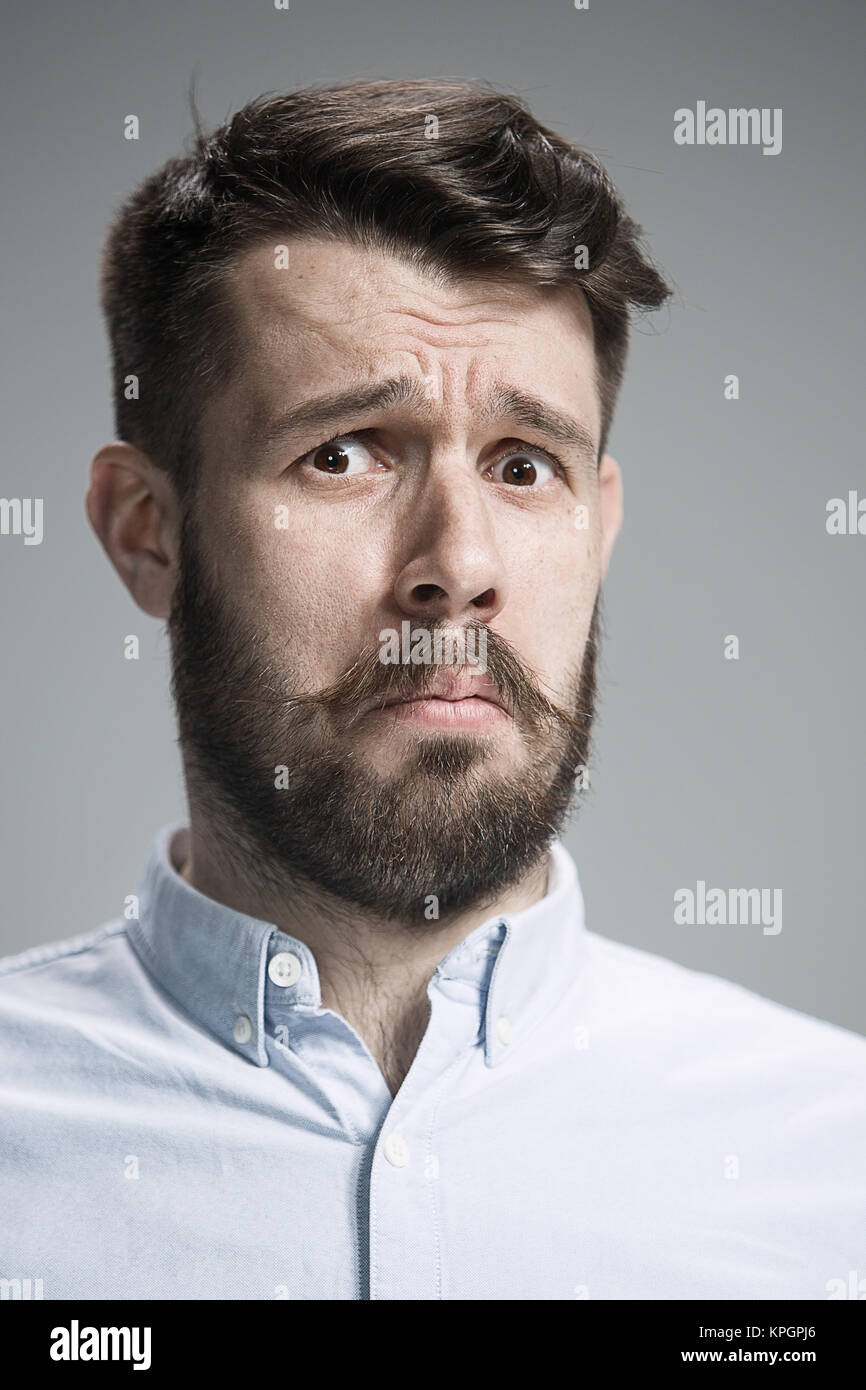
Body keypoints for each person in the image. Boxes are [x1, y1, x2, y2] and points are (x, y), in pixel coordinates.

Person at [1, 78, 863, 1301]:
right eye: (342, 453)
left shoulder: (834, 1173)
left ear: (598, 525)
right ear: (146, 529)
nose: (458, 566)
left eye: (523, 466)